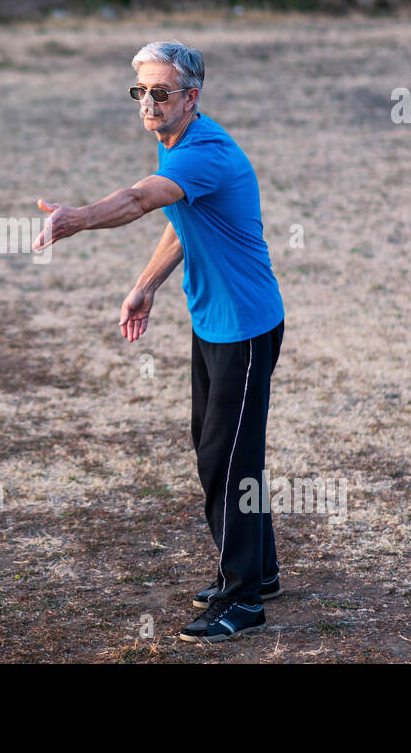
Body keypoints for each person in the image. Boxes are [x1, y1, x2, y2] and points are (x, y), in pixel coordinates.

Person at [32, 40, 286, 643]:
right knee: (218, 446)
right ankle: (262, 570)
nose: (149, 102)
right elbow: (181, 221)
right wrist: (145, 286)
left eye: (161, 91)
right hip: (216, 323)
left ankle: (242, 600)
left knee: (227, 458)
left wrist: (78, 218)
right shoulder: (177, 142)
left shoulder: (203, 152)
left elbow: (142, 200)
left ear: (190, 97)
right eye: (140, 91)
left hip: (245, 327)